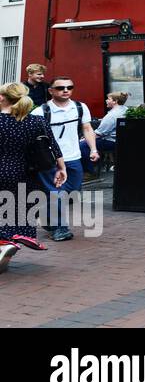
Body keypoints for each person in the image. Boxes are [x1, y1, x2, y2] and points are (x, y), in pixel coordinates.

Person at [1, 82, 66, 269]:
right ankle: (15, 238)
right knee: (19, 208)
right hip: (26, 173)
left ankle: (6, 242)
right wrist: (61, 169)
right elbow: (52, 146)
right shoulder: (36, 121)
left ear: (2, 97)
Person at [32, 76, 95, 241]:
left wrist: (93, 149)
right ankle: (60, 228)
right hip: (50, 160)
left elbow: (87, 128)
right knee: (56, 193)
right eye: (60, 88)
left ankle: (46, 213)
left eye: (69, 87)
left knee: (72, 191)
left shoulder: (80, 107)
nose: (66, 90)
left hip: (73, 157)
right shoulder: (41, 111)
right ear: (51, 91)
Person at [83, 91, 128, 178]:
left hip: (111, 142)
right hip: (120, 140)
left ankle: (89, 173)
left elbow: (99, 133)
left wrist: (85, 138)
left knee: (83, 145)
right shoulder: (125, 109)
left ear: (115, 101)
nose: (106, 100)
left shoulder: (111, 115)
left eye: (109, 99)